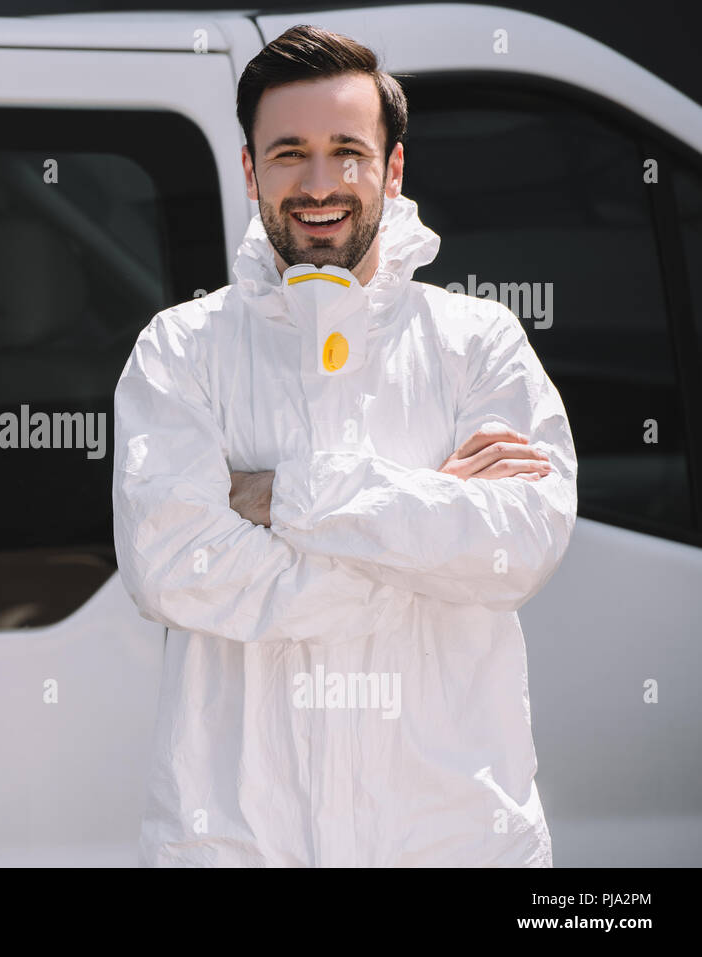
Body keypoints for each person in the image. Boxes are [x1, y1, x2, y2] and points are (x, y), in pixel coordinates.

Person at [111, 24, 577, 866]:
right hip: (242, 842)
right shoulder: (181, 351)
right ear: (250, 171)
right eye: (289, 152)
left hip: (454, 839)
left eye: (348, 151)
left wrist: (280, 494)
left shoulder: (479, 343)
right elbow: (171, 561)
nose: (319, 183)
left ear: (393, 171)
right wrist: (421, 535)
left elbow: (519, 545)